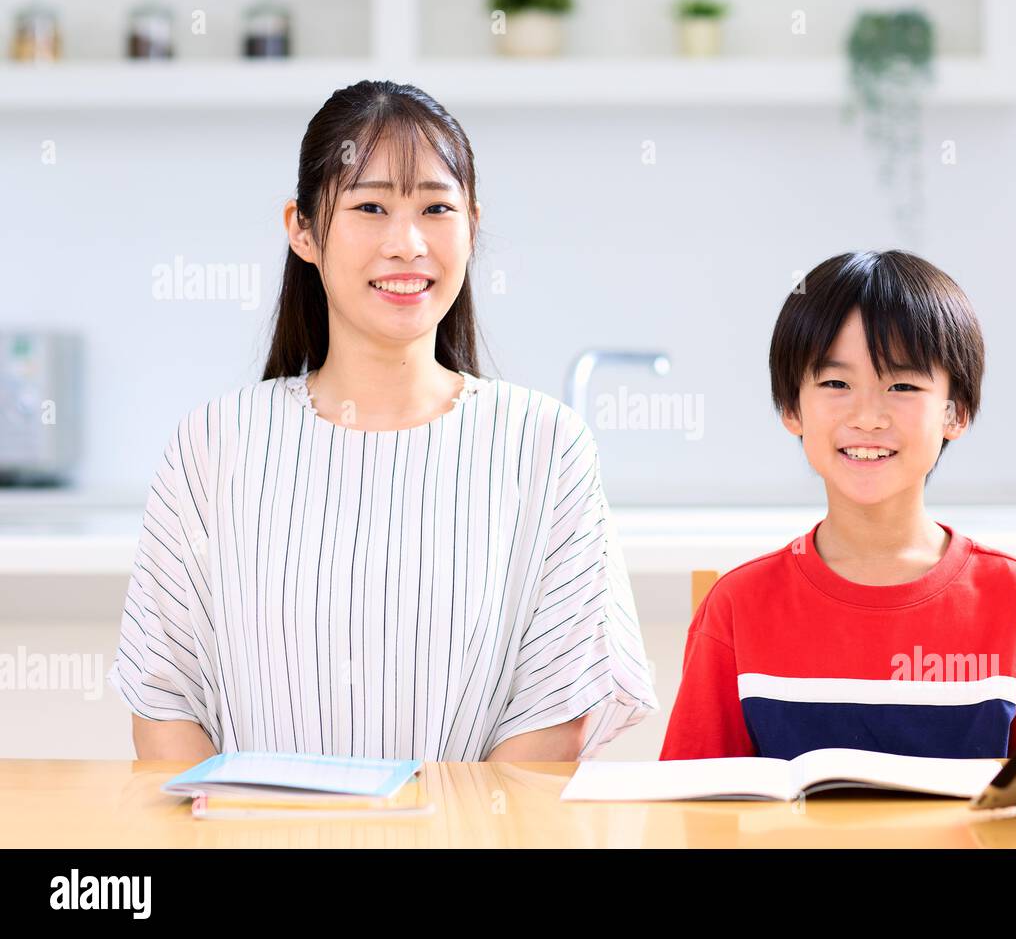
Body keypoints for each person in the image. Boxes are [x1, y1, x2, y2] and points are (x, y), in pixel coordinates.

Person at [106, 80, 658, 762]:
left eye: (435, 207)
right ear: (302, 230)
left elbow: (556, 712)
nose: (406, 243)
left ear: (472, 226)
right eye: (370, 206)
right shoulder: (216, 443)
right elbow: (166, 703)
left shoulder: (545, 444)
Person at [660, 250, 1016, 760]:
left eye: (901, 385)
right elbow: (690, 811)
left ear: (956, 411)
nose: (868, 416)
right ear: (792, 407)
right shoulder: (736, 607)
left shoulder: (1015, 600)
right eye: (836, 383)